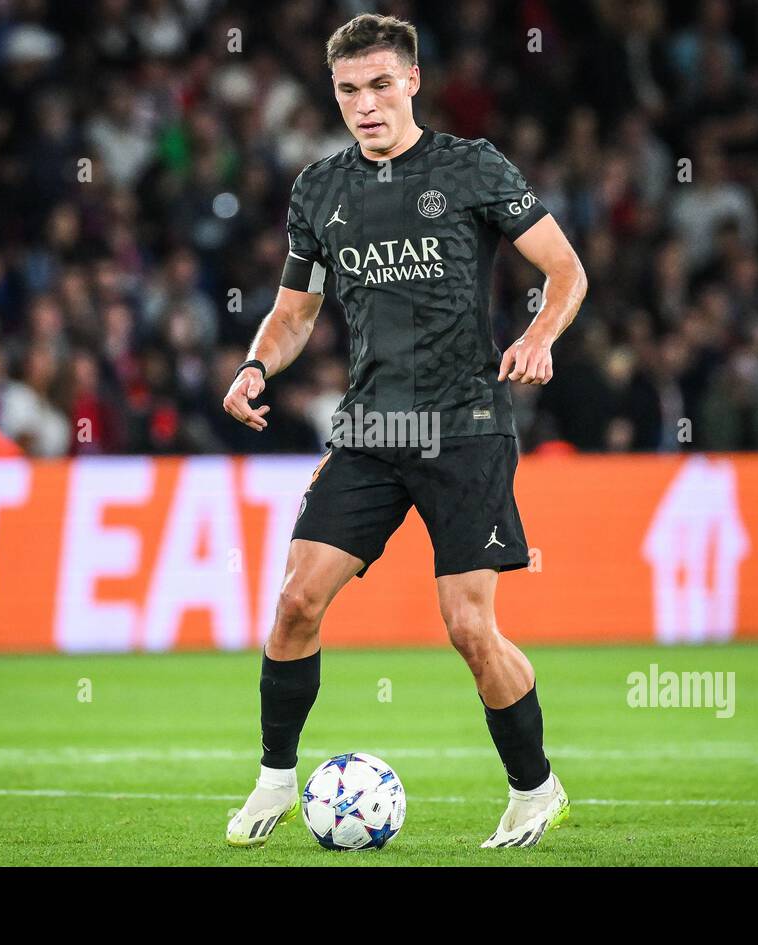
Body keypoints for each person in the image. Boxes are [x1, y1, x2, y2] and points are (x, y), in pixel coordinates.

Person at [221, 13, 587, 849]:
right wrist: (254, 367)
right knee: (294, 603)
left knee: (467, 627)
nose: (365, 104)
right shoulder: (319, 189)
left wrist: (536, 337)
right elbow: (293, 312)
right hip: (370, 433)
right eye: (349, 89)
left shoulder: (472, 168)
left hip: (465, 428)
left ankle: (534, 789)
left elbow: (566, 269)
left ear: (413, 82)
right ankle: (277, 778)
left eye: (381, 85)